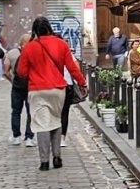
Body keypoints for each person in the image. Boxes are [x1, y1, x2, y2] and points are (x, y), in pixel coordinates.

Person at [16, 15, 87, 170]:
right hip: (58, 89)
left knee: (42, 125)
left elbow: (21, 71)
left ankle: (44, 161)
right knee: (56, 120)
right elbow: (72, 67)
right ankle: (57, 156)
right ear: (49, 28)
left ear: (35, 30)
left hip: (37, 90)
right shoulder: (61, 44)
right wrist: (82, 83)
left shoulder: (29, 47)